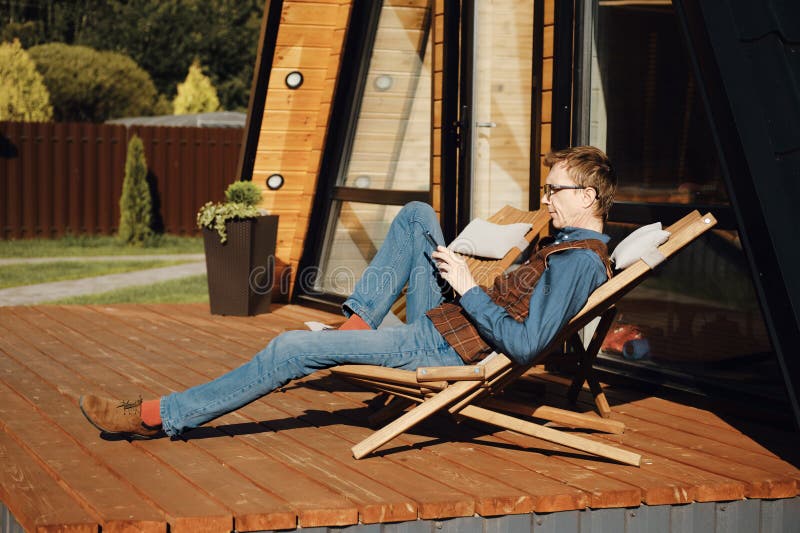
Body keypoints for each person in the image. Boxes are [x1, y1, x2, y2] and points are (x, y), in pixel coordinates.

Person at [80, 145, 617, 440]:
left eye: (554, 190)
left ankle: (157, 415)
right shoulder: (567, 246)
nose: (545, 199)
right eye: (546, 189)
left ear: (588, 195)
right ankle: (359, 324)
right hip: (450, 323)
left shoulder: (576, 264)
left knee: (290, 348)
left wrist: (466, 289)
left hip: (440, 347)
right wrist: (464, 284)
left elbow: (525, 346)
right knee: (416, 216)